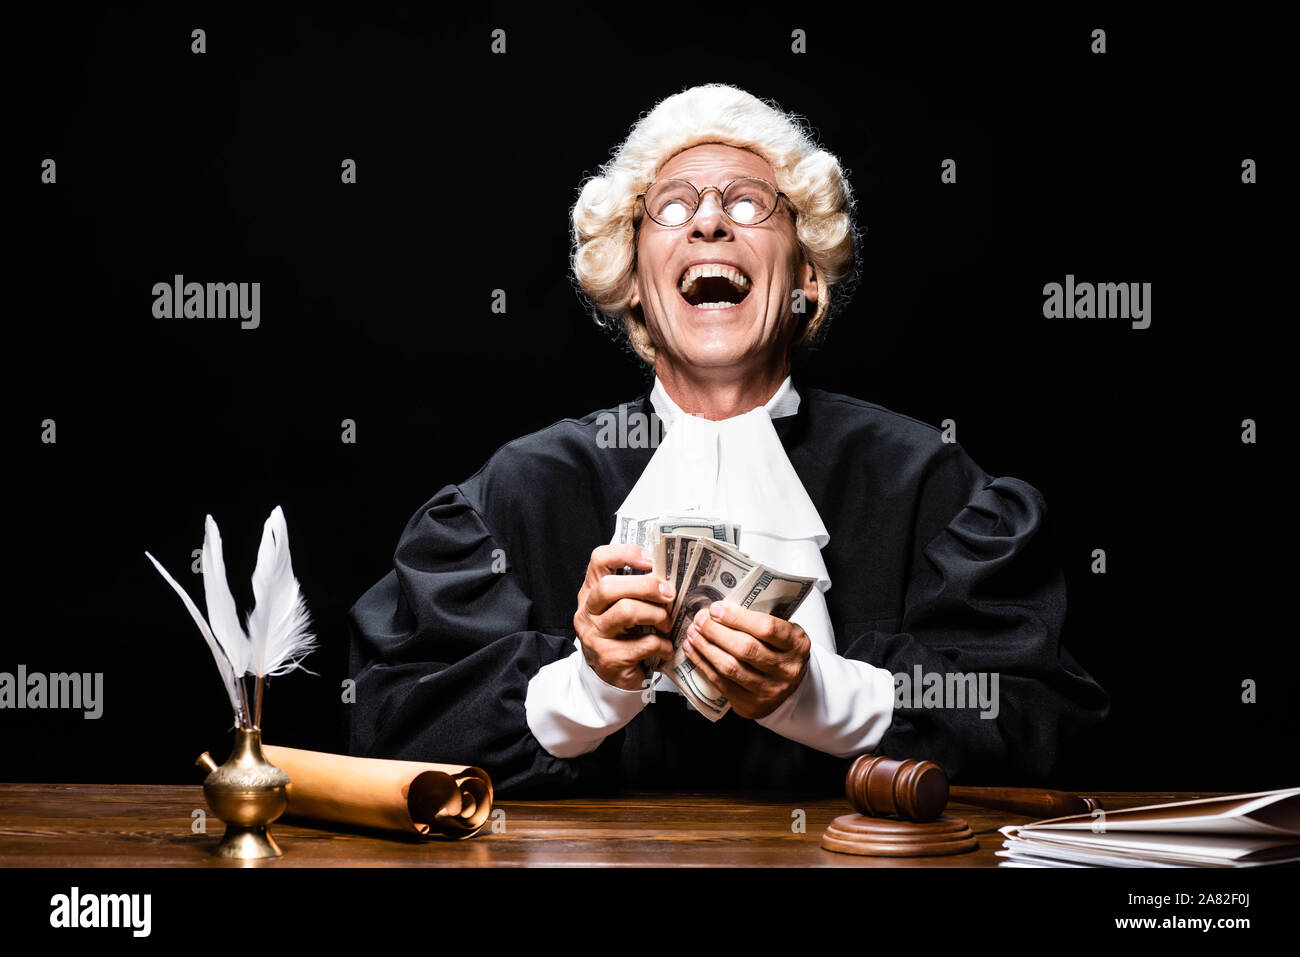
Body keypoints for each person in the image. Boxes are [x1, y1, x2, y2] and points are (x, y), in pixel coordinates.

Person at [346, 83, 1108, 797]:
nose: (710, 221)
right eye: (672, 208)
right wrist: (585, 688)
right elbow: (389, 729)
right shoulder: (520, 490)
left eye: (750, 202)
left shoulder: (926, 481)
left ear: (807, 274)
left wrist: (826, 698)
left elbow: (1054, 729)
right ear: (635, 282)